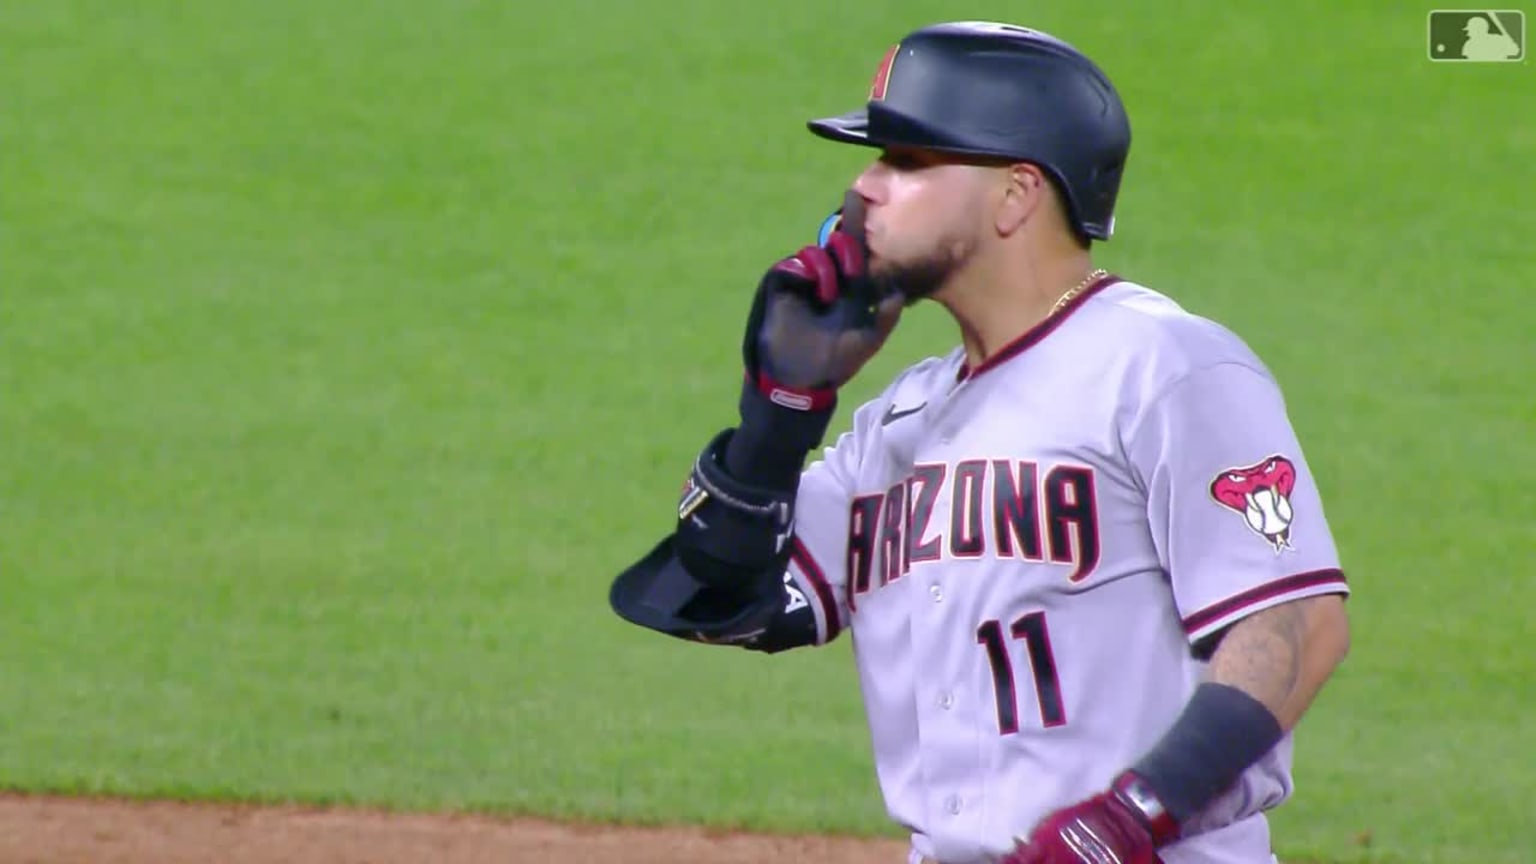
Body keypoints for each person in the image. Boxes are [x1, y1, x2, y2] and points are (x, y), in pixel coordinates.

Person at [609, 21, 1351, 864]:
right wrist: (778, 419)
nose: (864, 186)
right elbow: (720, 603)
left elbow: (1298, 623)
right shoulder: (897, 422)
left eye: (907, 162)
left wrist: (1131, 817)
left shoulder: (1164, 365)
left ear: (1016, 194)